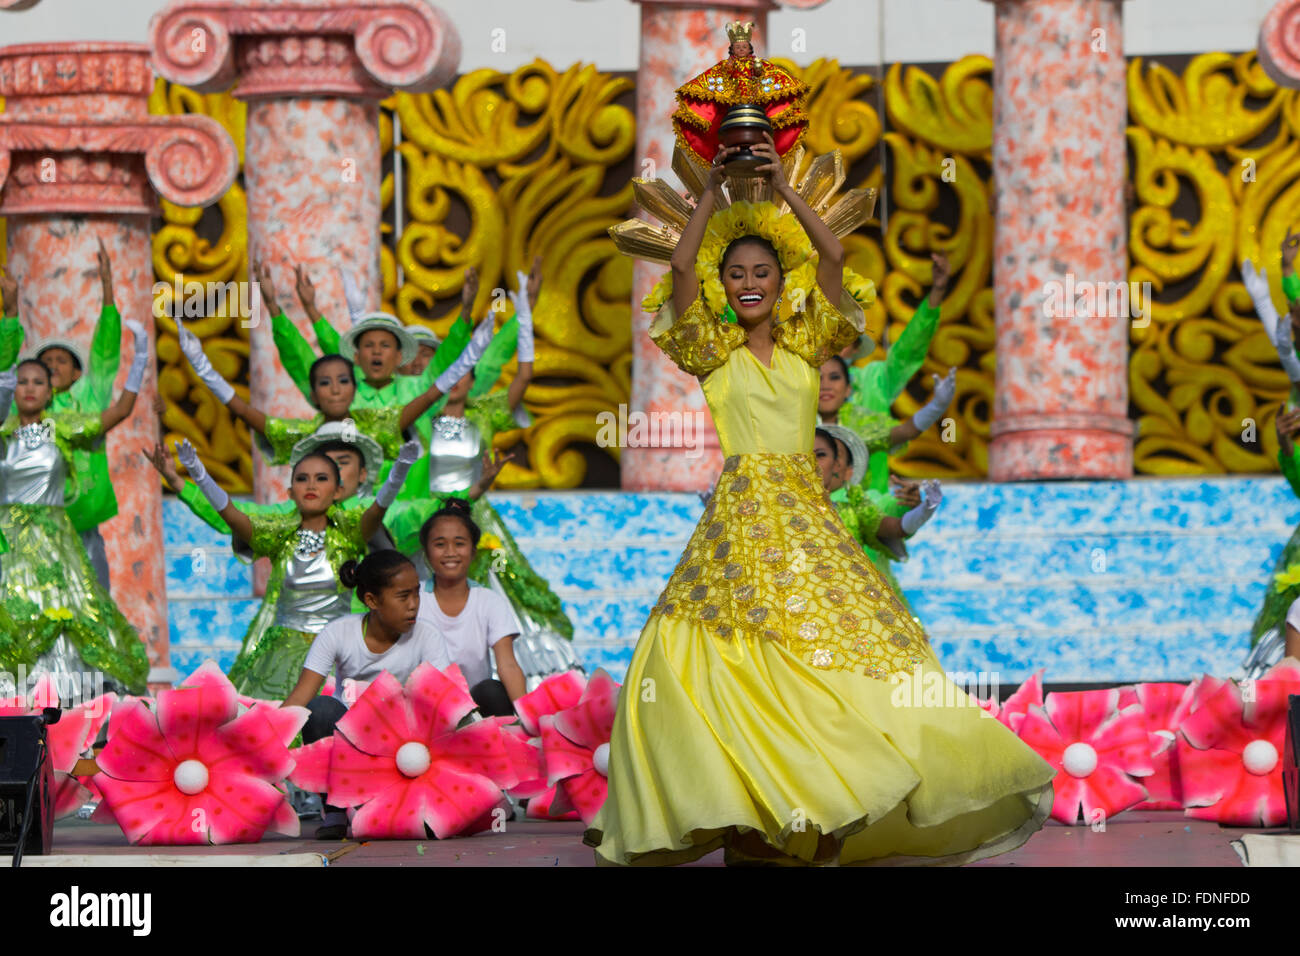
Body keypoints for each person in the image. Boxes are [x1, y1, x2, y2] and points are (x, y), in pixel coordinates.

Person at [586, 133, 1054, 866]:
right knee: (714, 658)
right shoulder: (712, 354)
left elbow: (833, 259)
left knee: (833, 654)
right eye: (735, 272)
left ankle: (832, 810)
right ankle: (746, 808)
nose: (748, 281)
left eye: (761, 271)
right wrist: (712, 190)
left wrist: (783, 191)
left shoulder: (810, 348)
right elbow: (679, 263)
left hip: (808, 517)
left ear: (780, 280)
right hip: (737, 518)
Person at [176, 436, 420, 700]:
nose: (311, 485)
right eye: (302, 478)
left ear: (338, 491)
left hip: (339, 650)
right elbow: (232, 515)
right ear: (291, 492)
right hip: (282, 654)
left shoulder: (349, 533)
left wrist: (399, 472)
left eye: (322, 478)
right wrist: (199, 473)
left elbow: (377, 510)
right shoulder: (280, 534)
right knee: (279, 729)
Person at [0, 318, 152, 695]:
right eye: (23, 380)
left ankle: (64, 697)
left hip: (54, 539)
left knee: (67, 611)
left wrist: (141, 358)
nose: (30, 388)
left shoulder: (63, 427)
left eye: (39, 381)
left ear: (51, 391)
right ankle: (11, 695)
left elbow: (118, 412)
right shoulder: (2, 434)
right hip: (8, 540)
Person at [282, 550, 452, 839]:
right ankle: (334, 810)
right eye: (403, 597)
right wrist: (259, 741)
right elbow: (300, 698)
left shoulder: (428, 636)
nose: (413, 606)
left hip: (402, 744)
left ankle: (411, 805)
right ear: (372, 601)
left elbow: (445, 699)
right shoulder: (338, 633)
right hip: (349, 743)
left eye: (416, 594)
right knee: (320, 709)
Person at [0, 242, 129, 590]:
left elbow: (105, 353)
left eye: (62, 360)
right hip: (29, 532)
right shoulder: (19, 410)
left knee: (93, 611)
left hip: (81, 526)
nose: (53, 364)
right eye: (46, 361)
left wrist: (107, 295)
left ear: (76, 374)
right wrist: (9, 313)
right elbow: (4, 373)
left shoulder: (88, 396)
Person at [833, 251, 952, 492]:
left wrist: (936, 294)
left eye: (844, 338)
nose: (834, 345)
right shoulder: (801, 381)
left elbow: (906, 354)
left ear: (856, 347)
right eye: (829, 335)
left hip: (871, 506)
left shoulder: (872, 379)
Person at [816, 424, 941, 617]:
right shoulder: (779, 502)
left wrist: (925, 510)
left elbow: (893, 526)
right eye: (805, 454)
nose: (811, 462)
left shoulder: (856, 504)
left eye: (821, 455)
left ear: (842, 467)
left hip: (850, 609)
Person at [417, 499, 525, 717]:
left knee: (492, 691)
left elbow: (508, 665)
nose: (450, 552)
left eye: (459, 543)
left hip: (476, 707)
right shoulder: (412, 598)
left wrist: (528, 720)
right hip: (424, 706)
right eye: (439, 544)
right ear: (427, 554)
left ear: (473, 552)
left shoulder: (489, 601)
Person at [671, 21, 808, 169]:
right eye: (738, 47)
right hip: (733, 109)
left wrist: (757, 70)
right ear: (732, 50)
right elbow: (717, 78)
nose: (741, 50)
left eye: (744, 47)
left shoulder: (758, 63)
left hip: (754, 106)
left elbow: (765, 76)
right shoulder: (727, 65)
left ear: (749, 49)